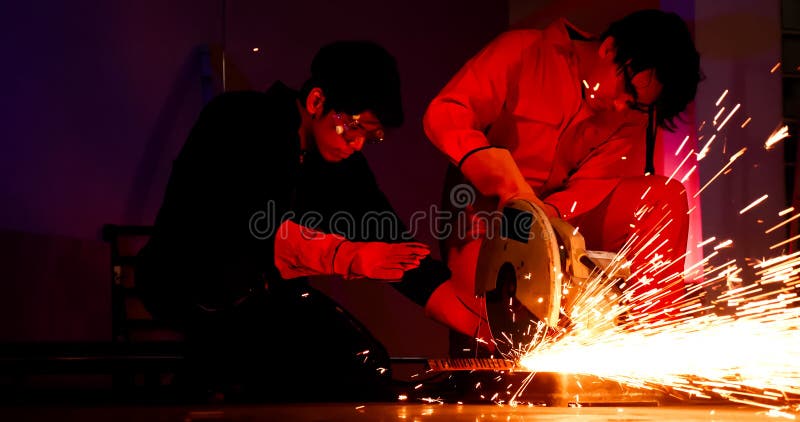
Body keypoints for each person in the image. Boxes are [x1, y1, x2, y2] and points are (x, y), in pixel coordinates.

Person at [136, 41, 450, 401]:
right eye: (354, 127)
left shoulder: (343, 167)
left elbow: (395, 245)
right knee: (341, 366)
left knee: (367, 362)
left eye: (370, 136)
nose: (358, 144)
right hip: (190, 278)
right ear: (317, 101)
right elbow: (248, 226)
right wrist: (348, 255)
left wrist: (480, 315)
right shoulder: (241, 119)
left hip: (263, 296)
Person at [421, 10, 703, 354]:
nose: (619, 105)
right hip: (486, 215)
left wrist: (548, 216)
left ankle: (654, 345)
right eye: (626, 89)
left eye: (632, 103)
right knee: (490, 326)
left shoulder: (628, 114)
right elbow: (446, 112)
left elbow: (596, 183)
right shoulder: (524, 51)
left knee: (663, 198)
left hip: (560, 220)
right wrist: (492, 169)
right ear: (610, 49)